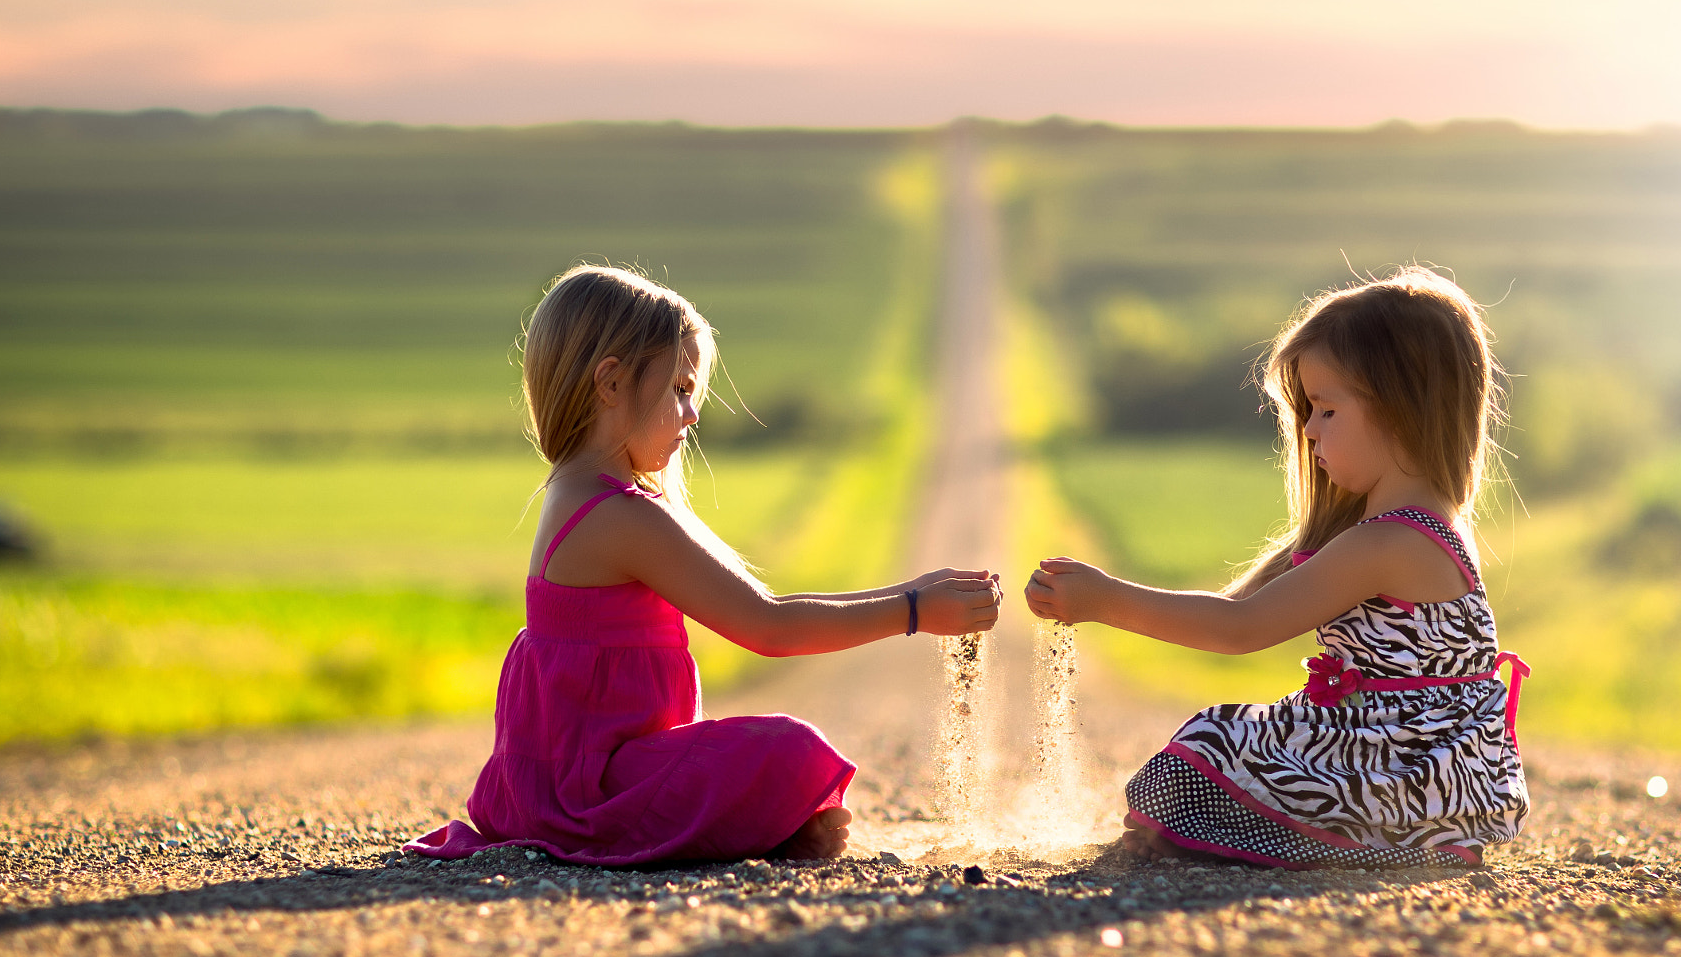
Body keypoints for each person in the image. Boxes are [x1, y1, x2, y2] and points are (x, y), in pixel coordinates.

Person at [408, 265, 1000, 866]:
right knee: (787, 750)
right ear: (610, 382)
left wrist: (915, 591)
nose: (692, 415)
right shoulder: (618, 517)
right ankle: (763, 829)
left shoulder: (587, 493)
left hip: (573, 779)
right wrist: (915, 612)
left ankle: (758, 824)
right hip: (593, 792)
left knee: (758, 757)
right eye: (680, 389)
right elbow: (768, 627)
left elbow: (768, 606)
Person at [1025, 267, 1528, 869]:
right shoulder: (1395, 532)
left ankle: (1378, 840)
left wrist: (1104, 600)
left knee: (1213, 743)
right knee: (1226, 747)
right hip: (1397, 750)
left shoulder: (1390, 544)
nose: (1310, 430)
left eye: (1326, 409)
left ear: (1401, 409)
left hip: (1402, 767)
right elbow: (1233, 607)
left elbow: (1239, 629)